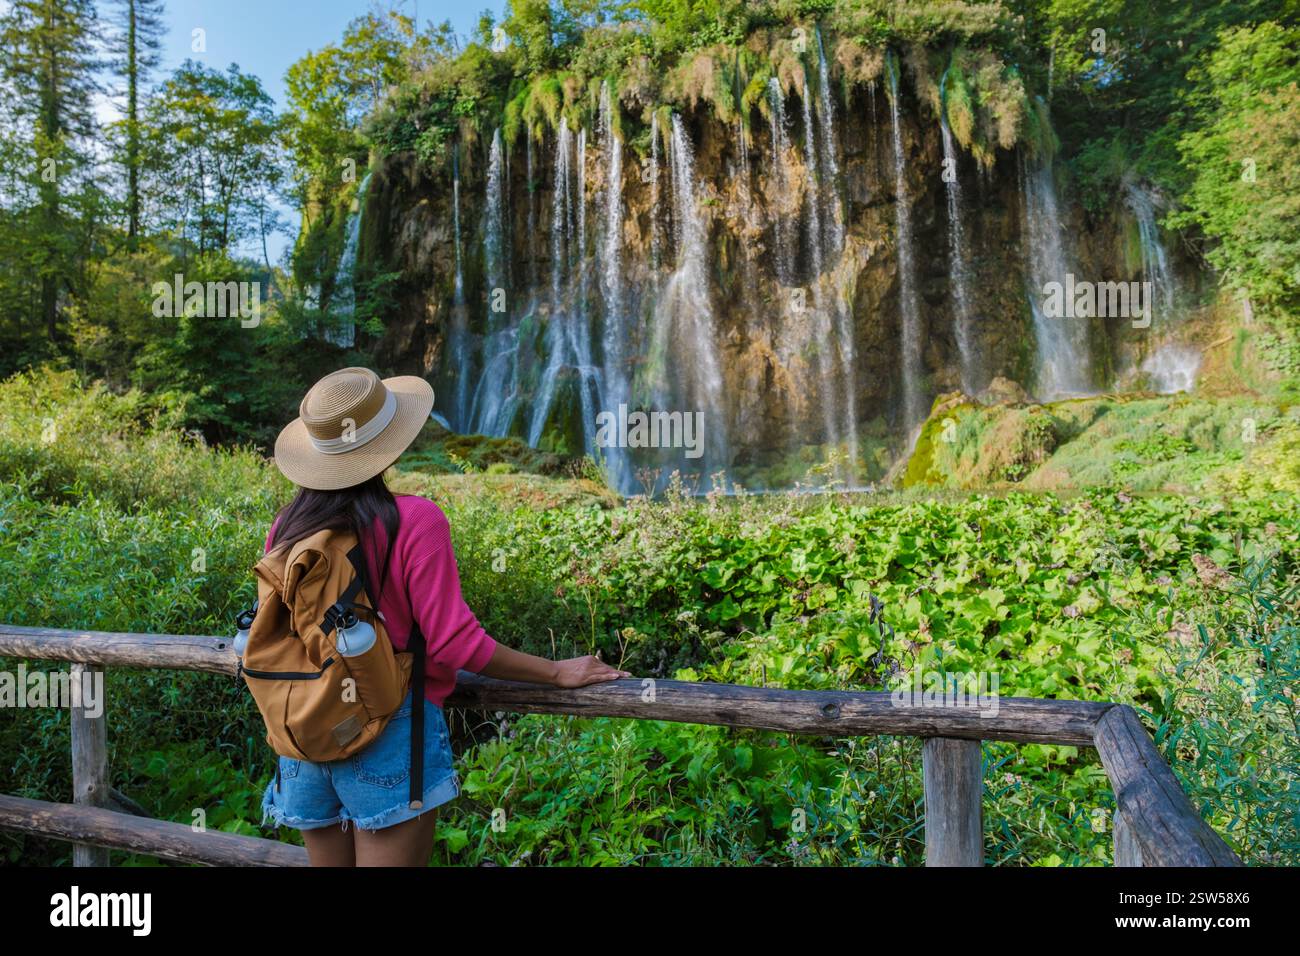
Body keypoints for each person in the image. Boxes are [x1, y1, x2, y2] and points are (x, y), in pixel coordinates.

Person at [259, 366, 628, 865]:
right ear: (390, 443)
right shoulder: (416, 520)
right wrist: (557, 671)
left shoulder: (289, 524)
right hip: (390, 727)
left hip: (302, 729)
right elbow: (457, 645)